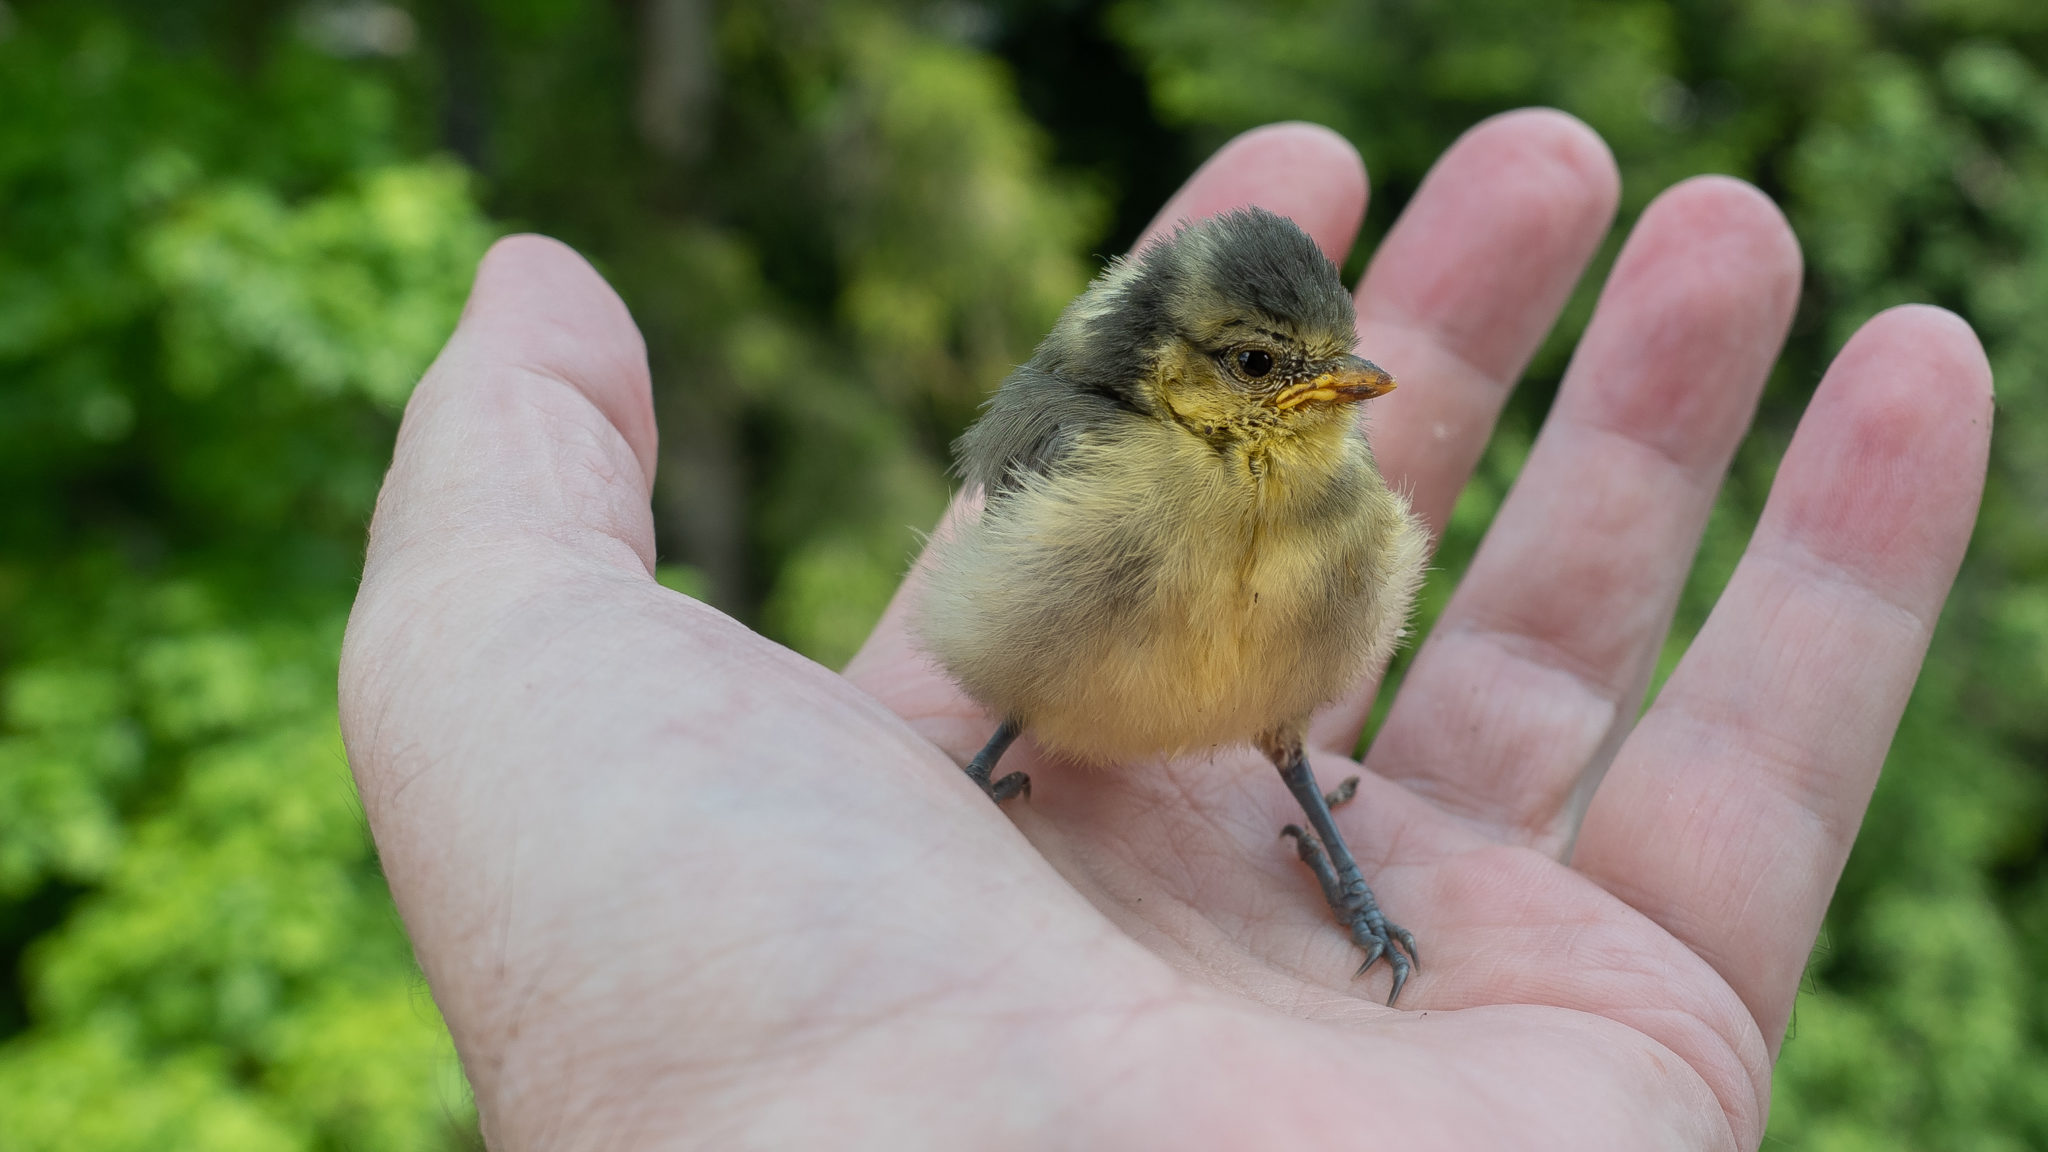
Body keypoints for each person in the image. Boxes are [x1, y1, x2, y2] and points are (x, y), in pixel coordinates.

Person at [338, 110, 1991, 1148]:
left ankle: (1326, 859)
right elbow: (993, 610)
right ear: (1183, 369)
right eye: (1276, 370)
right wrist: (962, 772)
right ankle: (998, 768)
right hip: (1026, 727)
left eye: (1329, 360)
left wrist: (1348, 873)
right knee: (1025, 730)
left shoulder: (1339, 500)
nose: (1332, 390)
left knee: (1291, 743)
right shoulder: (1095, 451)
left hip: (1264, 727)